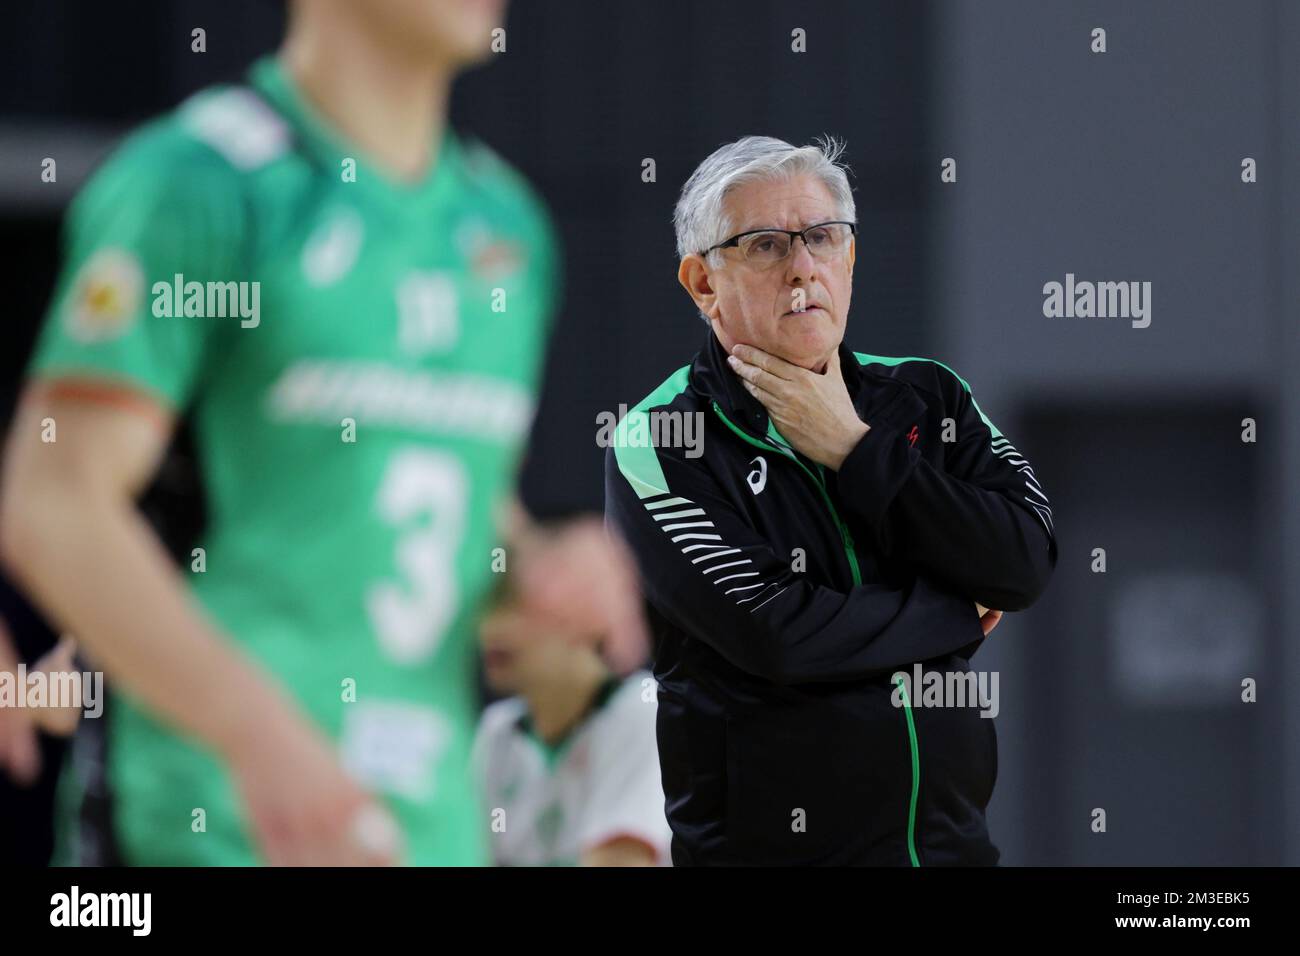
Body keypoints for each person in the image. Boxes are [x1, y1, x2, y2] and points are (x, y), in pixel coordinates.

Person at [0, 0, 645, 866]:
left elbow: (427, 509)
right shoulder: (197, 183)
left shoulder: (504, 229)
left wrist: (540, 567)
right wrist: (257, 737)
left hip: (422, 834)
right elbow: (52, 501)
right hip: (208, 827)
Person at [604, 135, 1057, 865]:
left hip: (951, 852)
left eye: (821, 237)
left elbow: (1025, 558)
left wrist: (854, 448)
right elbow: (778, 635)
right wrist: (954, 612)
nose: (803, 268)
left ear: (850, 257)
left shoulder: (926, 393)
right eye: (763, 245)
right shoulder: (662, 439)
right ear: (702, 283)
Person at [472, 582, 670, 866]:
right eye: (488, 606)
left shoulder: (642, 710)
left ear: (587, 615)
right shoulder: (497, 731)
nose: (492, 627)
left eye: (516, 605)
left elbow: (620, 861)